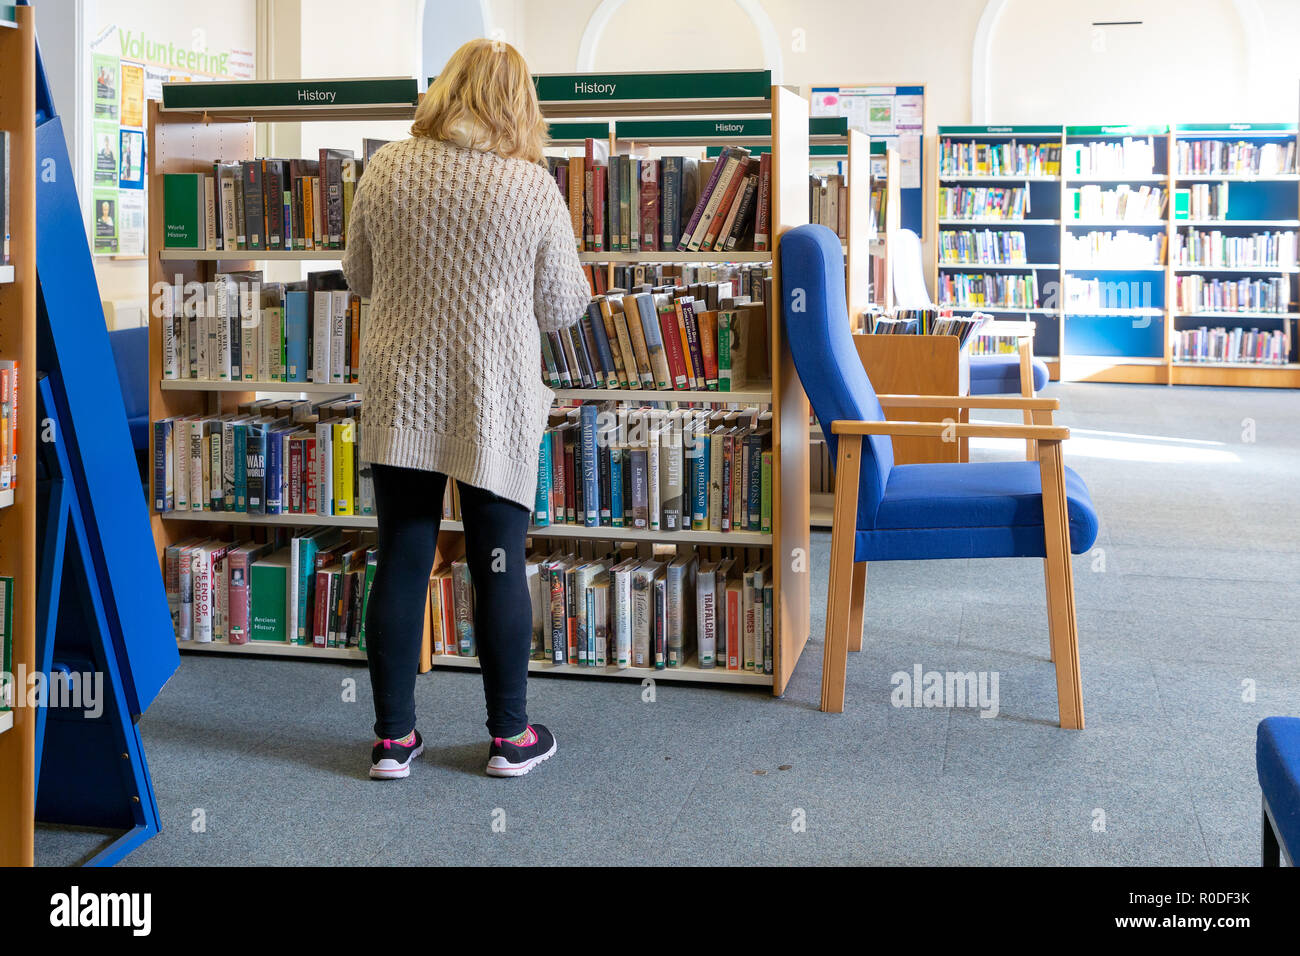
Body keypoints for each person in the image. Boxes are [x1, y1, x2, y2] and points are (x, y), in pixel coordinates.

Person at [342, 37, 588, 781]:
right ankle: (509, 740)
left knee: (404, 557)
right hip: (493, 401)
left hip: (402, 392)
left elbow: (358, 275)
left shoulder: (386, 166)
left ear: (445, 91)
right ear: (519, 104)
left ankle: (393, 741)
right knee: (497, 564)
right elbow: (563, 306)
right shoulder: (530, 185)